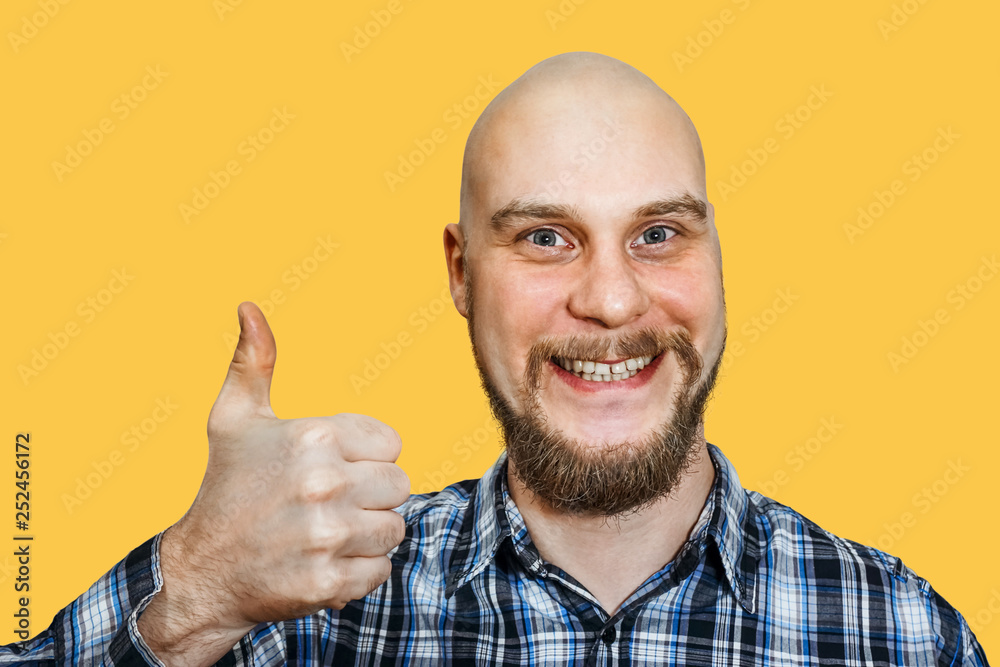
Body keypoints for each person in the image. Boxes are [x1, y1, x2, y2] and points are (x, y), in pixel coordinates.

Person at [1, 52, 988, 666]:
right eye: (545, 238)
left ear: (717, 261)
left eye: (657, 234)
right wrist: (195, 591)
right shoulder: (292, 616)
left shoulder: (898, 630)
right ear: (461, 271)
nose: (610, 300)